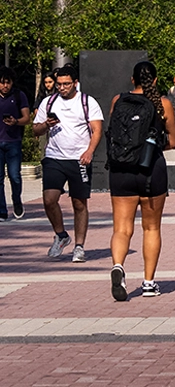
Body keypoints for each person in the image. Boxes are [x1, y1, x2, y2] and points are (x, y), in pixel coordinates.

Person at [107, 61, 175, 300]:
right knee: (151, 227)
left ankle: (118, 266)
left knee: (122, 228)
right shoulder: (163, 104)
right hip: (150, 171)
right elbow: (173, 143)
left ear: (132, 79)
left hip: (120, 171)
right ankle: (148, 283)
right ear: (155, 81)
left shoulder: (118, 101)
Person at [31, 65, 104, 261]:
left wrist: (89, 151)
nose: (62, 88)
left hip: (79, 159)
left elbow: (97, 129)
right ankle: (61, 235)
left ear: (75, 83)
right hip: (54, 157)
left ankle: (79, 246)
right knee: (49, 199)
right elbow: (35, 130)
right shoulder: (49, 102)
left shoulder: (87, 102)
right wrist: (46, 124)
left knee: (79, 203)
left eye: (66, 84)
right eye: (59, 84)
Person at [0, 66, 31, 220]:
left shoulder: (19, 96)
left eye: (8, 82)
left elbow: (27, 118)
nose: (5, 86)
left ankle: (17, 201)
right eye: (2, 83)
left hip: (13, 142)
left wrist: (16, 121)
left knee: (14, 176)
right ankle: (2, 210)